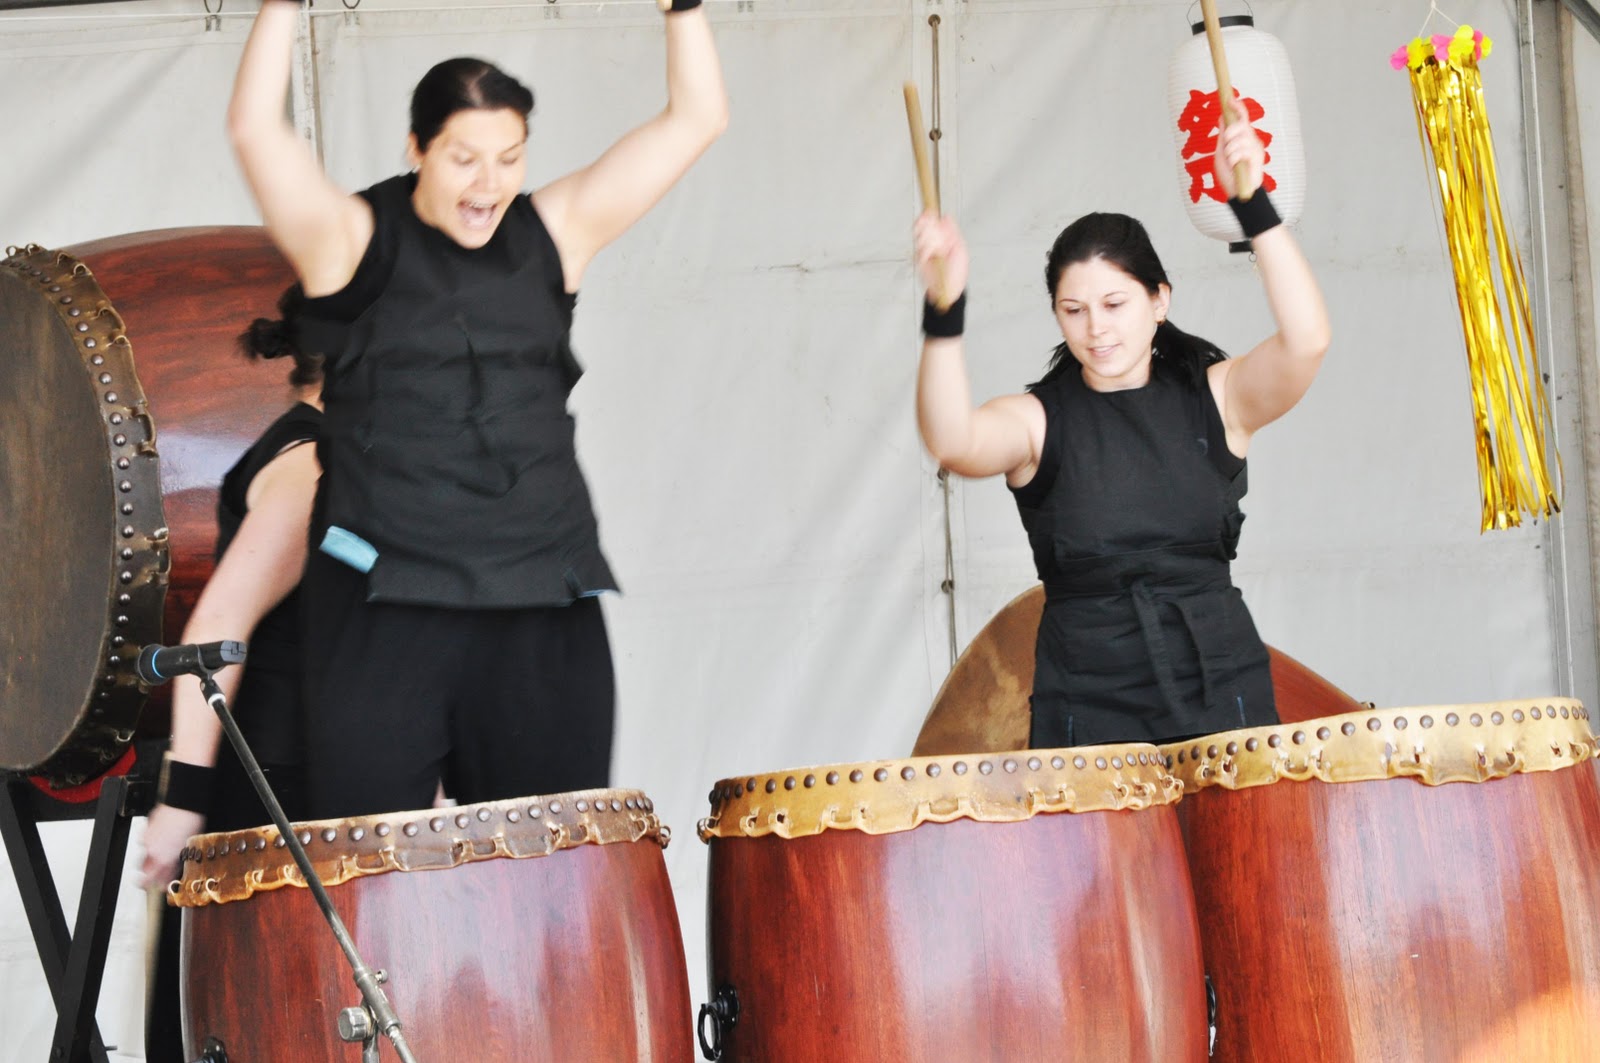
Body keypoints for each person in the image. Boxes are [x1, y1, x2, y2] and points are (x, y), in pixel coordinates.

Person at [226, 1, 727, 819]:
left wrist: (684, 6)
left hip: (542, 600)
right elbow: (254, 127)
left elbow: (699, 116)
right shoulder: (350, 240)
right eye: (464, 158)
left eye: (509, 157)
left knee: (552, 880)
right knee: (375, 874)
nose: (488, 184)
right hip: (386, 605)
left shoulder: (555, 231)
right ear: (416, 148)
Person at [913, 120, 1331, 747]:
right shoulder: (1038, 421)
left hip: (1221, 685)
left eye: (1115, 304)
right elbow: (951, 439)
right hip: (1087, 700)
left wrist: (1254, 206)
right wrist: (944, 311)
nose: (1096, 330)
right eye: (1073, 311)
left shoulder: (1216, 397)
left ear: (1159, 300)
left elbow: (1307, 340)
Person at [138, 287, 323, 1062]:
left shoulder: (324, 446)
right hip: (274, 794)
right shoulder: (313, 460)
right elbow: (217, 630)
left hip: (296, 784)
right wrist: (185, 800)